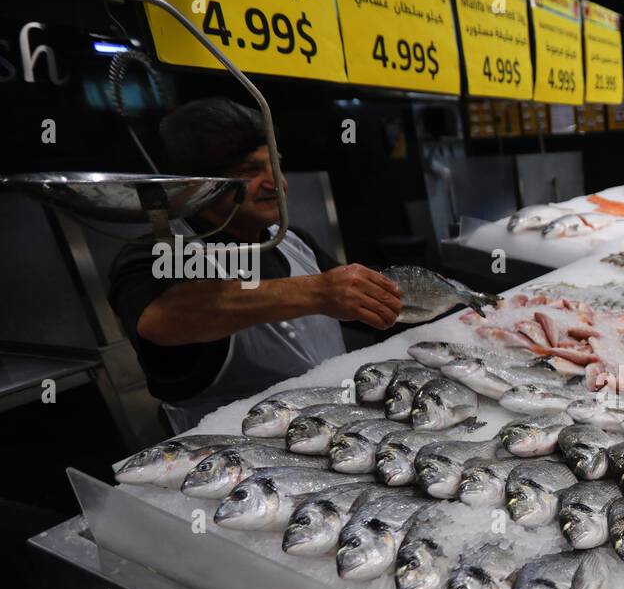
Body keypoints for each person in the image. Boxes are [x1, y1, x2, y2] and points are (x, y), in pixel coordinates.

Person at [109, 98, 403, 432]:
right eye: (251, 171)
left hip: (331, 432)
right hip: (227, 459)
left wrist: (454, 306)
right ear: (201, 184)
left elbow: (369, 301)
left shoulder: (293, 241)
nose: (276, 182)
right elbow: (160, 319)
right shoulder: (159, 252)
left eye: (276, 167)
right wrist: (317, 292)